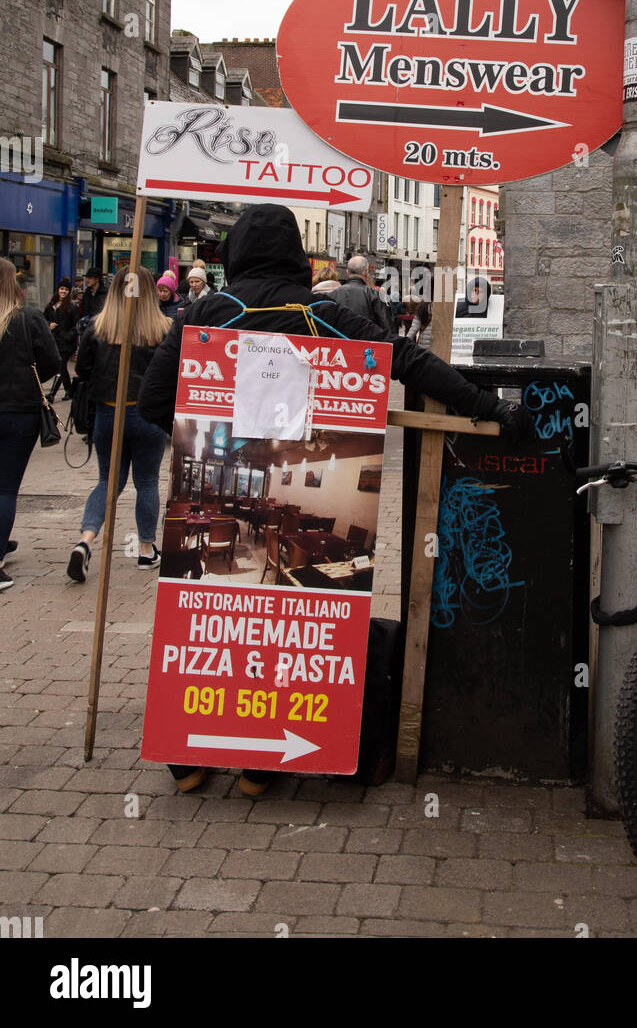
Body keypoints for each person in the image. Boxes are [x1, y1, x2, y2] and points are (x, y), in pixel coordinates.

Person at [137, 204, 532, 796]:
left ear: (237, 251)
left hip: (215, 473)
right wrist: (490, 406)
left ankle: (191, 757)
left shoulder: (206, 314)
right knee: (291, 624)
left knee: (215, 618)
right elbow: (410, 362)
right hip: (291, 459)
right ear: (296, 254)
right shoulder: (320, 314)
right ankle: (259, 763)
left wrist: (209, 421)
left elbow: (150, 402)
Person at [66, 266, 171, 585]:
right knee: (147, 482)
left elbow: (82, 369)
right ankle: (145, 548)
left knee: (107, 482)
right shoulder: (162, 328)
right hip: (146, 415)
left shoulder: (100, 328)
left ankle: (86, 540)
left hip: (108, 412)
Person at [0, 257, 61, 590]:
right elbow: (52, 362)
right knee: (6, 487)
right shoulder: (28, 318)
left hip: (15, 409)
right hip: (20, 412)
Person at [329, 255, 395, 334]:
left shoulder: (332, 295)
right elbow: (386, 327)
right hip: (367, 342)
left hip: (339, 343)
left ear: (347, 272)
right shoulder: (374, 295)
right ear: (366, 272)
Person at [44, 277, 78, 401]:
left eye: (66, 290)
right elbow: (43, 319)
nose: (63, 291)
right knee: (62, 367)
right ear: (58, 290)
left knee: (60, 366)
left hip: (67, 343)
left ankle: (52, 394)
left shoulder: (72, 307)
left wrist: (69, 336)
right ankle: (69, 391)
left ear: (69, 292)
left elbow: (76, 325)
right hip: (56, 342)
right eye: (61, 289)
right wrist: (49, 324)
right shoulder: (51, 306)